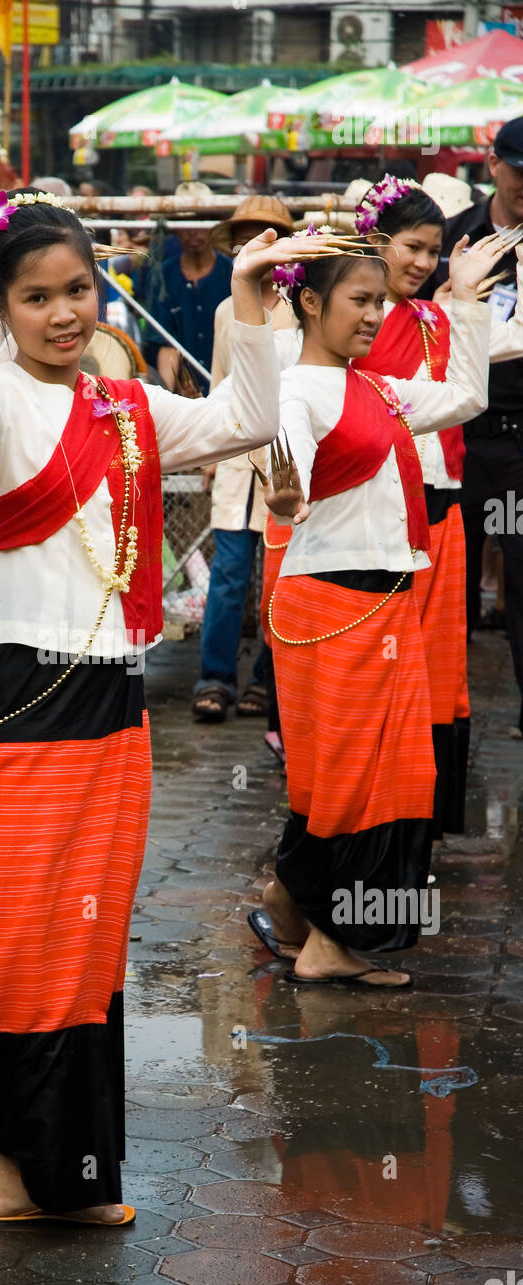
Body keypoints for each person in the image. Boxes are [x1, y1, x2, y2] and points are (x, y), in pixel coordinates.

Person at [0, 191, 303, 1225]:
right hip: (20, 701)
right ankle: (15, 1168)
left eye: (78, 289)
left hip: (111, 704)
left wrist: (251, 301)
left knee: (84, 944)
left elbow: (246, 423)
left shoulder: (125, 406)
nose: (63, 313)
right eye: (36, 296)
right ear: (0, 301)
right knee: (29, 934)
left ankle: (58, 1165)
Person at [251, 227, 495, 990]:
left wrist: (464, 304)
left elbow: (468, 397)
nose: (373, 316)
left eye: (380, 303)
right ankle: (329, 942)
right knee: (361, 777)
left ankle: (291, 903)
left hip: (378, 602)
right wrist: (284, 488)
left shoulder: (379, 389)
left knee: (354, 775)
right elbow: (279, 447)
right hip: (337, 605)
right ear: (311, 301)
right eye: (359, 301)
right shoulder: (297, 389)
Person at [357, 175, 523, 834]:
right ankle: (375, 807)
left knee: (437, 659)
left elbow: (500, 345)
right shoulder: (359, 318)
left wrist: (461, 299)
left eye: (433, 250)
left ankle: (419, 815)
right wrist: (457, 297)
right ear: (376, 242)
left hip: (443, 512)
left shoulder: (438, 319)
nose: (423, 262)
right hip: (381, 512)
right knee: (383, 663)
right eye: (413, 247)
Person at [420, 116, 523, 736]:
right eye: (518, 172)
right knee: (446, 587)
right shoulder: (453, 241)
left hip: (520, 438)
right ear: (493, 164)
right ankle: (438, 718)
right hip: (455, 436)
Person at [193, 196, 299, 722]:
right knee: (230, 574)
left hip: (287, 458)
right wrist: (211, 453)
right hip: (236, 455)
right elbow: (219, 383)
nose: (255, 246)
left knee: (280, 578)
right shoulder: (223, 309)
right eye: (246, 237)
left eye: (267, 236)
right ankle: (215, 677)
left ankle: (266, 679)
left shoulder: (302, 307)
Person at [145, 217, 233, 393]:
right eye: (185, 224)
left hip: (229, 382)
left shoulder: (232, 272)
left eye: (199, 224)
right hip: (184, 389)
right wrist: (169, 394)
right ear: (176, 230)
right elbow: (166, 342)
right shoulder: (163, 276)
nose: (193, 232)